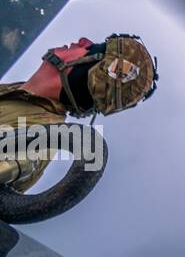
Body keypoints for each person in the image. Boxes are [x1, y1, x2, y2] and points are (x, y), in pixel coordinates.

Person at [0, 35, 157, 193]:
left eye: (92, 48)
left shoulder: (36, 139)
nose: (83, 41)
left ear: (86, 74)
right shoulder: (14, 96)